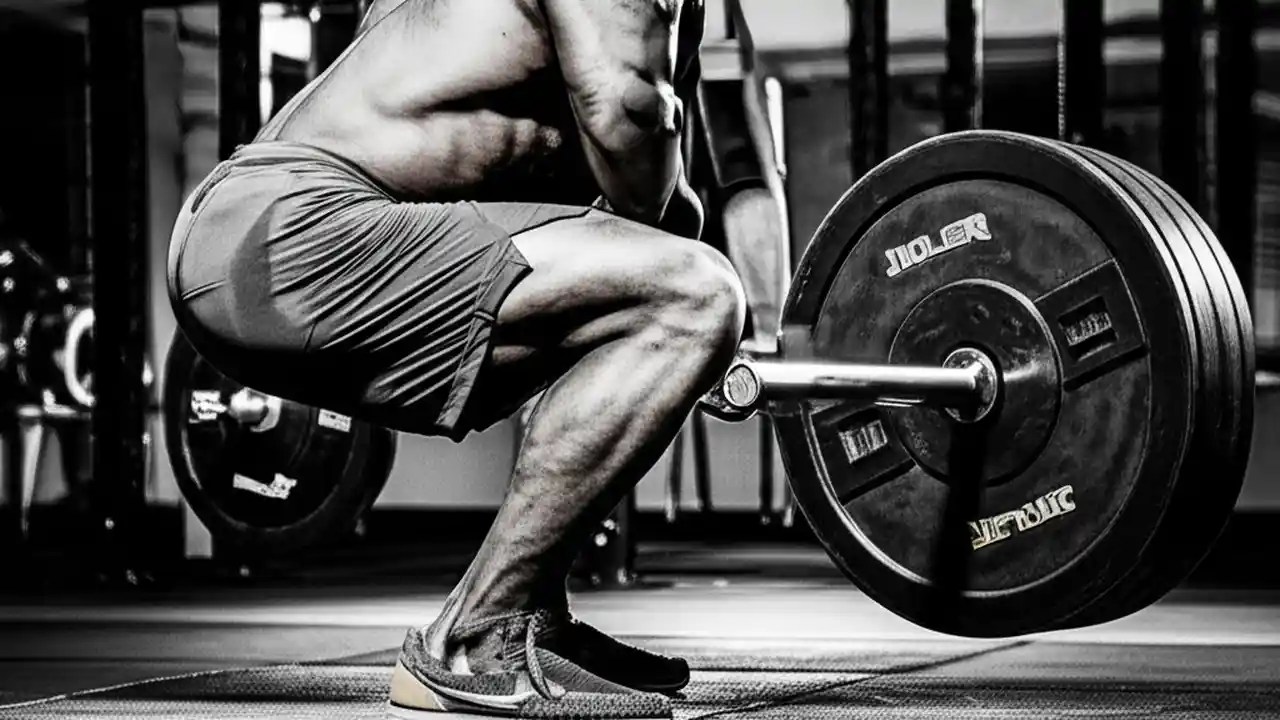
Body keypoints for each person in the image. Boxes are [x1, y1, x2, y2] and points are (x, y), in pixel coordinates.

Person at [166, 0, 782, 717]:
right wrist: (702, 331)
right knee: (696, 298)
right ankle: (471, 639)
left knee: (661, 296)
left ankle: (531, 619)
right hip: (285, 235)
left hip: (264, 233)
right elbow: (629, 128)